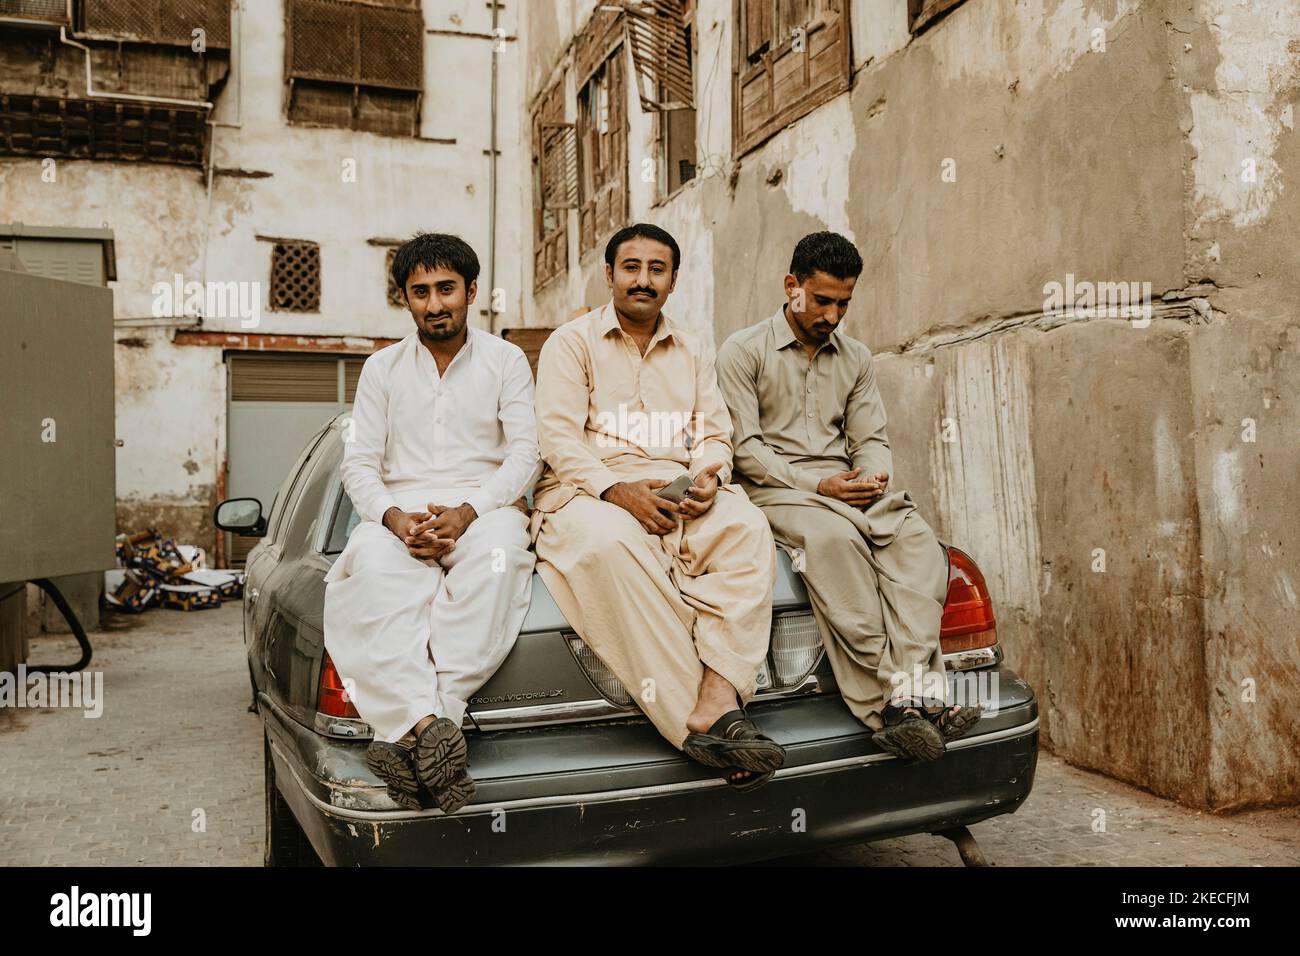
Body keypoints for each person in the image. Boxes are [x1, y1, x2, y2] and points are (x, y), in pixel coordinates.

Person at [530, 223, 784, 791]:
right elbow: (558, 439)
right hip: (587, 489)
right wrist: (617, 493)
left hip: (679, 485)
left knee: (746, 526)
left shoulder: (694, 349)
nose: (643, 280)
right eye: (632, 267)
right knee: (610, 545)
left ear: (672, 280)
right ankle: (702, 726)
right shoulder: (569, 343)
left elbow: (716, 434)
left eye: (657, 270)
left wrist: (708, 478)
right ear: (611, 275)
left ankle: (719, 693)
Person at [715, 231, 981, 762]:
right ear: (792, 287)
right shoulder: (742, 352)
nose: (834, 315)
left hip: (848, 486)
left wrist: (873, 477)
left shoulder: (855, 358)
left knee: (917, 543)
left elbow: (871, 439)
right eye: (822, 300)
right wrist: (819, 486)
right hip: (779, 492)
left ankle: (915, 696)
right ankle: (892, 707)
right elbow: (745, 450)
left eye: (844, 303)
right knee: (835, 543)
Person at [323, 233, 540, 812]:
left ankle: (413, 731)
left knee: (500, 568)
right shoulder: (381, 369)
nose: (435, 303)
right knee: (366, 577)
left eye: (446, 289)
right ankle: (433, 731)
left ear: (471, 291)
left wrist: (468, 514)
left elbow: (525, 454)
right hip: (401, 515)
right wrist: (396, 521)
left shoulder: (506, 360)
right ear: (405, 300)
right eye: (420, 292)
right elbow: (359, 465)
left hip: (483, 508)